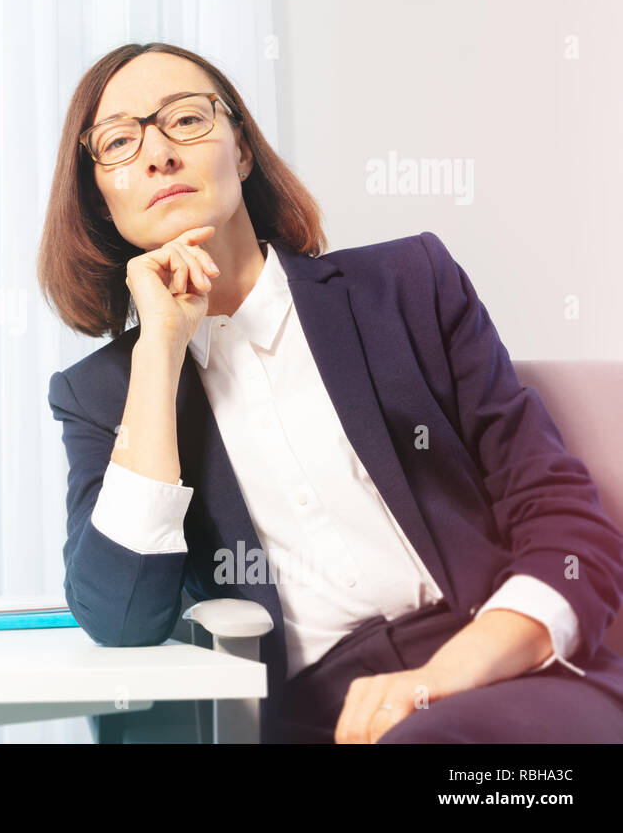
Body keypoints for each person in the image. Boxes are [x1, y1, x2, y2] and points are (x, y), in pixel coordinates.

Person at [37, 41, 623, 743]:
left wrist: (452, 673)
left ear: (243, 150)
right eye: (120, 142)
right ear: (102, 199)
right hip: (308, 717)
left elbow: (562, 519)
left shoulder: (409, 286)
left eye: (186, 120)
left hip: (505, 673)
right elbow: (122, 616)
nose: (158, 154)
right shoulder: (102, 396)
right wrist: (158, 355)